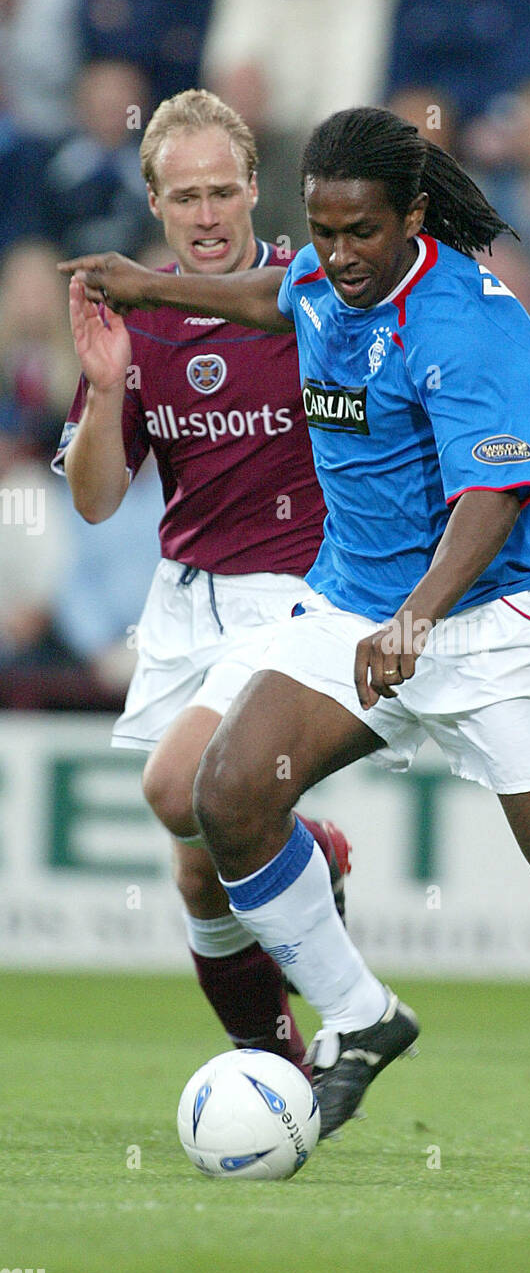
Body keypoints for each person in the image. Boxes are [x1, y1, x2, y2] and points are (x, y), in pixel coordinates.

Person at [61, 106, 530, 1186]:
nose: (336, 255)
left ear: (412, 214)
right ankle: (360, 1019)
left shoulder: (471, 321)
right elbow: (272, 300)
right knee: (222, 791)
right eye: (319, 230)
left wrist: (418, 617)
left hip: (490, 628)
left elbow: (494, 493)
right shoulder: (324, 281)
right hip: (347, 613)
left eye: (359, 232)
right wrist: (147, 286)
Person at [56, 89, 352, 1075]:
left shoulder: (311, 297)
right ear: (155, 205)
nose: (208, 214)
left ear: (256, 189)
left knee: (177, 785)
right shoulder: (137, 323)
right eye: (185, 197)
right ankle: (280, 1073)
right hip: (186, 602)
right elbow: (97, 500)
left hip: (299, 592)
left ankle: (316, 859)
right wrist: (105, 390)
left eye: (224, 190)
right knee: (197, 870)